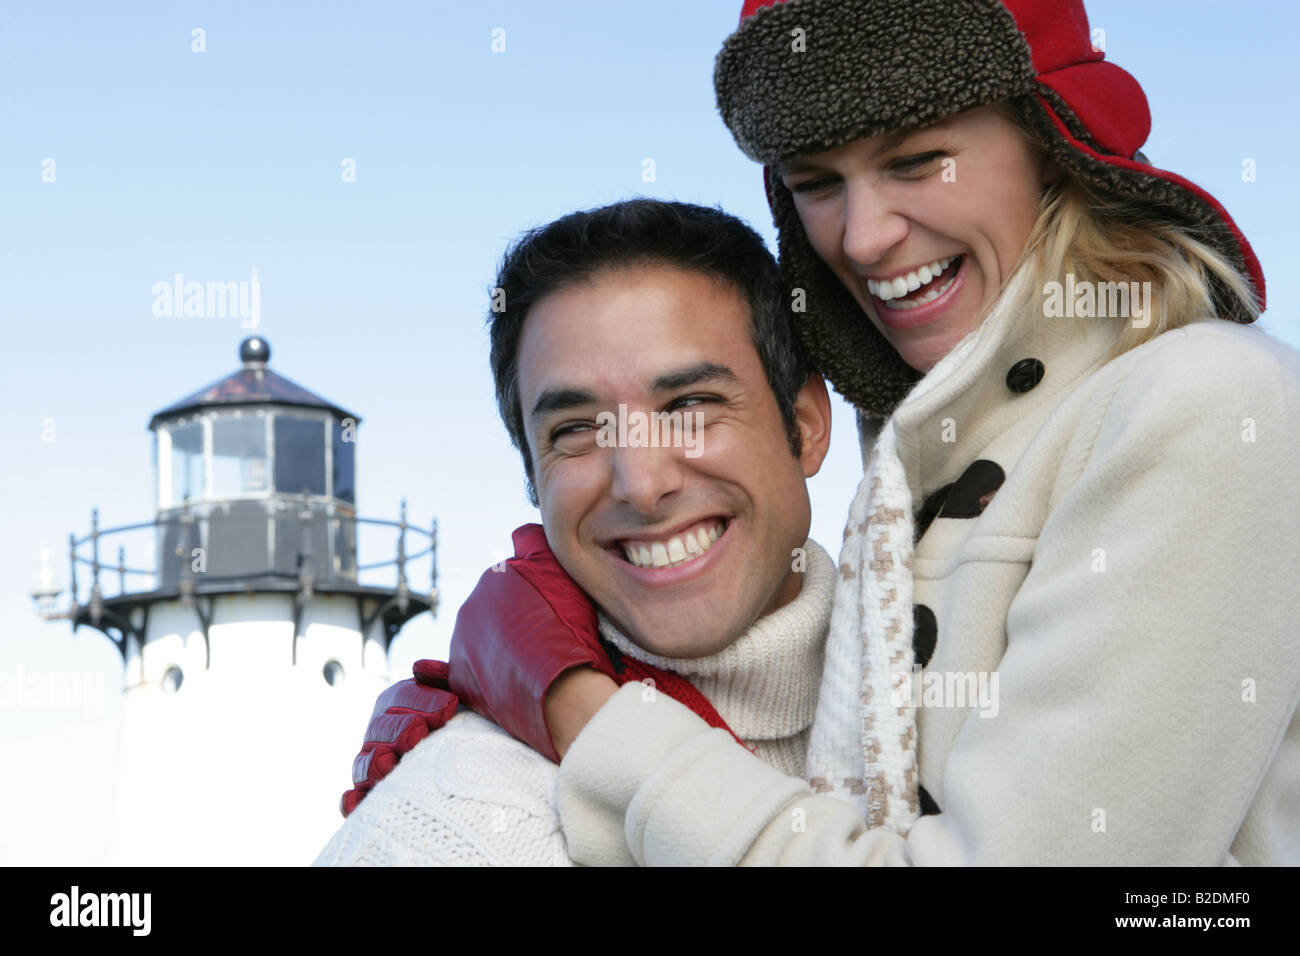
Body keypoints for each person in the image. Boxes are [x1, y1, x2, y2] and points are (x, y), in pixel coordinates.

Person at [350, 0, 1300, 865]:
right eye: (816, 181)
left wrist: (592, 716)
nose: (863, 237)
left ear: (1050, 140)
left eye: (917, 159)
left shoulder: (1208, 402)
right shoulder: (922, 460)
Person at [316, 199, 839, 864]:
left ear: (808, 425)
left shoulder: (975, 678)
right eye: (577, 431)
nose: (641, 484)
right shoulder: (447, 826)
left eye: (688, 406)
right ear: (535, 479)